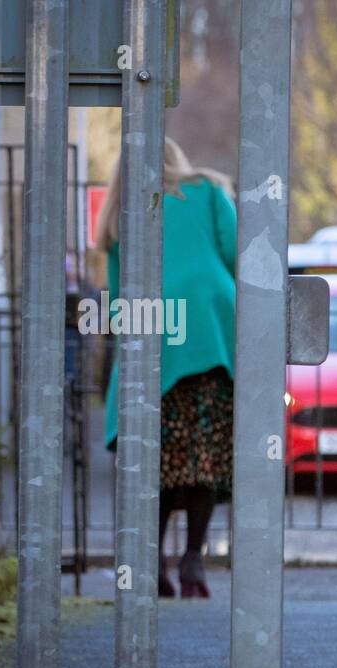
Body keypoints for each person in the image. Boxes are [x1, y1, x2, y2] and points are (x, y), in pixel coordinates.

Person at [98, 138, 237, 600]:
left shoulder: (120, 216)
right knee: (205, 456)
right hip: (210, 332)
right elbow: (240, 257)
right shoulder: (208, 190)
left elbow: (119, 307)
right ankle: (194, 558)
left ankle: (153, 561)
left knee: (153, 461)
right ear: (176, 157)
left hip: (156, 340)